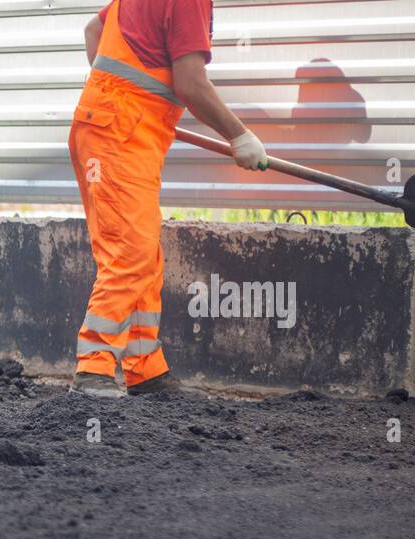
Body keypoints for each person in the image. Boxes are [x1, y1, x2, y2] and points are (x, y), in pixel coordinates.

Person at [69, 0, 267, 398]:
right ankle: (93, 370)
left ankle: (145, 369)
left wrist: (128, 96)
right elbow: (190, 84)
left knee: (143, 253)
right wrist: (239, 135)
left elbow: (94, 30)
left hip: (120, 128)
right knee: (129, 253)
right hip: (119, 134)